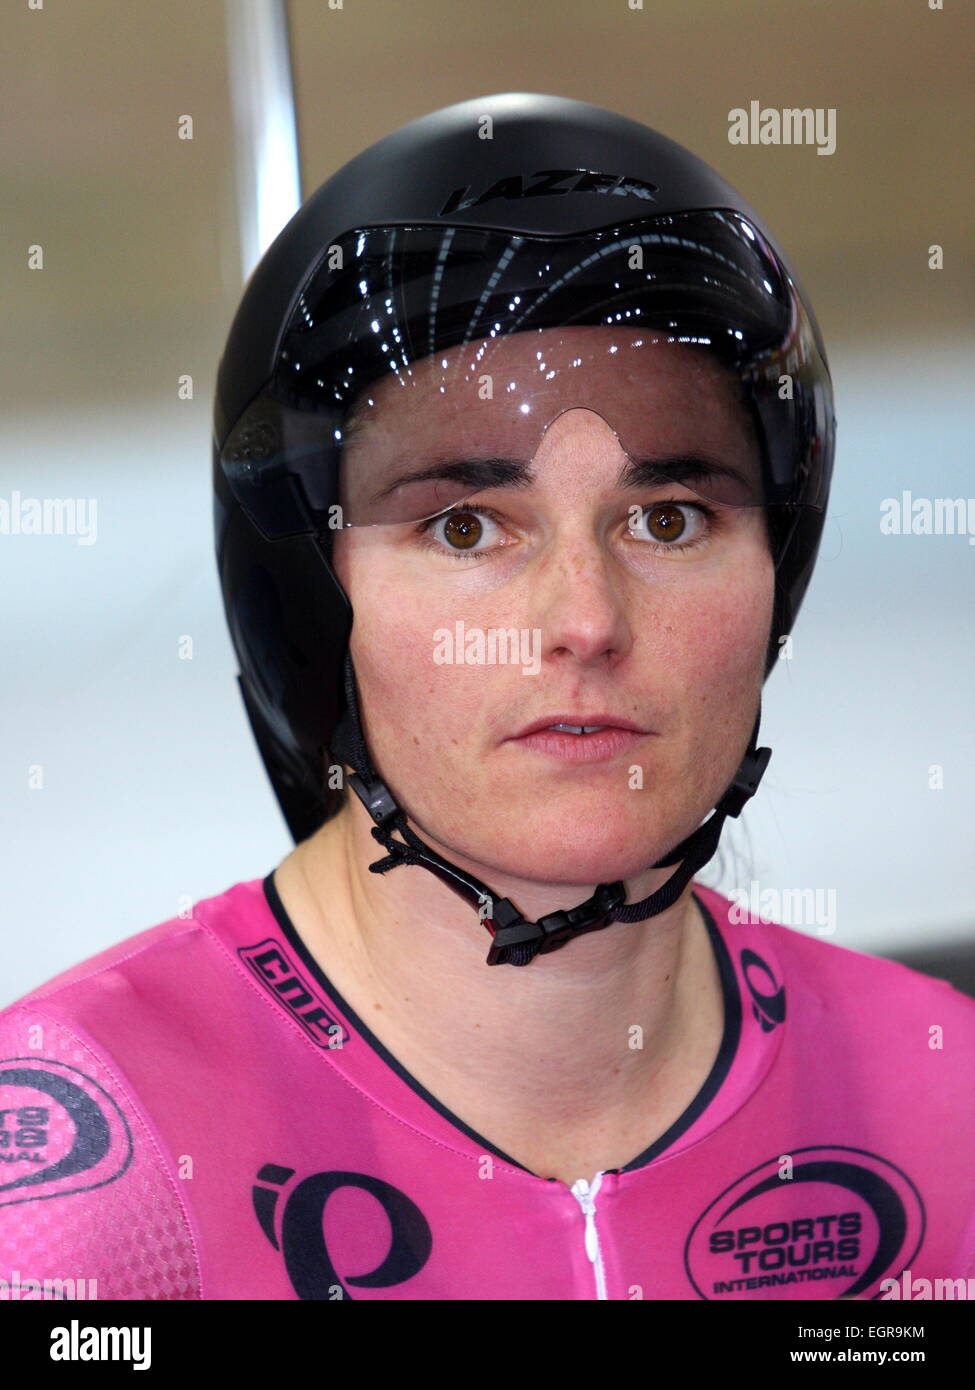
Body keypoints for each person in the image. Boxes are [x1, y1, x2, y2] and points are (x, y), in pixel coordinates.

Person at [2, 92, 973, 1302]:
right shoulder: (78, 1162)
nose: (586, 620)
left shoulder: (952, 1101)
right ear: (313, 595)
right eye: (466, 527)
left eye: (667, 520)